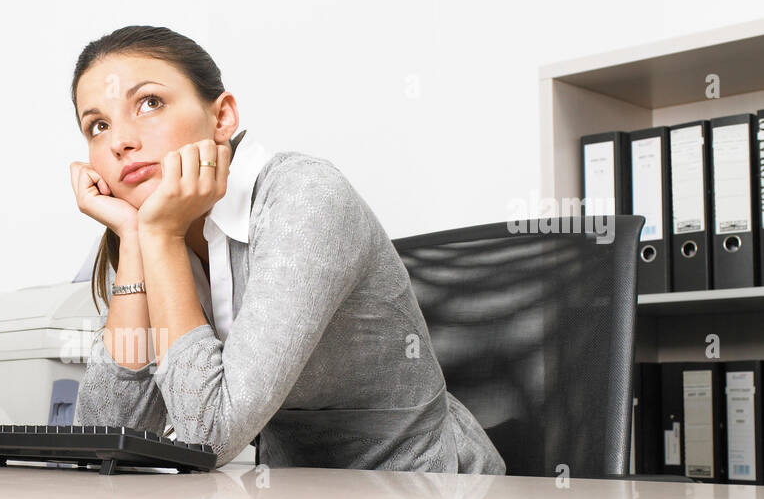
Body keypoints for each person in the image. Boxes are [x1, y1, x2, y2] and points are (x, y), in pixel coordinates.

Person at [68, 24, 505, 474]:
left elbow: (205, 441)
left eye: (150, 103)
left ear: (222, 117)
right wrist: (136, 236)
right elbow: (104, 439)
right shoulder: (163, 229)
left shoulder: (306, 196)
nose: (119, 141)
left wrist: (158, 236)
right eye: (98, 126)